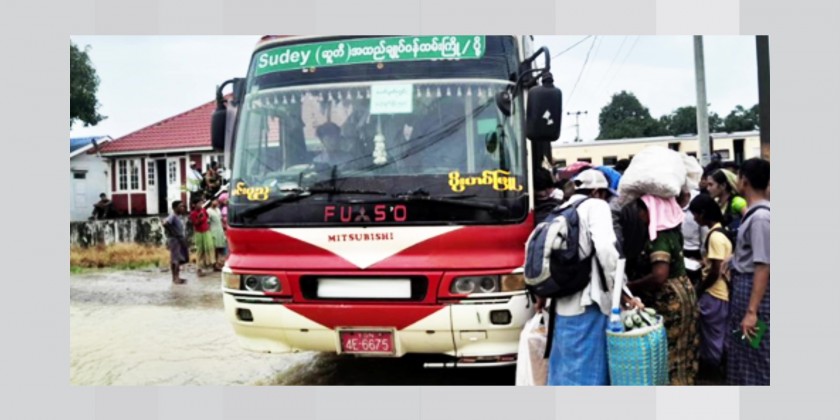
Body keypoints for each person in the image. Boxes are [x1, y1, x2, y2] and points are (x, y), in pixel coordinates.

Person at [542, 169, 622, 386]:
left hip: (561, 304)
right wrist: (617, 289)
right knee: (587, 371)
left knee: (564, 369)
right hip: (589, 303)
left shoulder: (561, 209)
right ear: (597, 192)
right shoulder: (596, 206)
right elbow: (606, 249)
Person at [626, 194, 699, 385]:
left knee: (669, 349)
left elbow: (659, 275)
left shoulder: (659, 237)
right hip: (685, 292)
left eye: (642, 211)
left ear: (651, 211)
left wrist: (632, 287)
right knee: (685, 346)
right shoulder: (674, 231)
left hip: (669, 299)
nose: (640, 215)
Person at [725, 158, 770, 385]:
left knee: (755, 354)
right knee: (745, 350)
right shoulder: (758, 214)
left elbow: (763, 265)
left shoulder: (760, 217)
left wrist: (752, 311)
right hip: (747, 289)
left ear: (744, 180)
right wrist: (734, 259)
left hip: (753, 293)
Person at [688, 193, 732, 382]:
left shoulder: (714, 237)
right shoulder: (722, 231)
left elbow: (715, 270)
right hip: (724, 293)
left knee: (712, 338)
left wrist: (700, 289)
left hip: (714, 293)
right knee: (722, 335)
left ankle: (714, 376)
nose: (694, 218)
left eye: (696, 214)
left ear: (703, 213)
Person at [680, 188, 708, 287]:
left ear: (687, 195)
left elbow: (704, 233)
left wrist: (703, 257)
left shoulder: (696, 205)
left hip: (693, 252)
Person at [706, 169, 747, 233]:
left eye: (711, 185)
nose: (708, 188)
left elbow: (750, 220)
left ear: (723, 185)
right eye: (707, 185)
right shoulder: (716, 203)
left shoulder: (737, 201)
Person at [162, 200, 188, 285]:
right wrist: (172, 232)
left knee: (180, 258)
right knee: (175, 259)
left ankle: (177, 277)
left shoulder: (178, 216)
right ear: (175, 208)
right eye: (180, 206)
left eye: (183, 206)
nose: (182, 208)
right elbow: (165, 223)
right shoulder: (172, 216)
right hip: (174, 240)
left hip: (179, 239)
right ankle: (175, 278)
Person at [189, 198, 215, 276]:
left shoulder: (203, 210)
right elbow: (195, 223)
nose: (200, 205)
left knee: (209, 248)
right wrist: (199, 218)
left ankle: (210, 264)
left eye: (201, 203)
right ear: (194, 205)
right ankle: (198, 268)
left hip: (206, 231)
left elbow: (207, 218)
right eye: (199, 203)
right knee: (200, 251)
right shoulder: (193, 213)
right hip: (199, 233)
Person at [207, 199, 227, 271]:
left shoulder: (218, 210)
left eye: (217, 201)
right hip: (213, 231)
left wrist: (224, 227)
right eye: (214, 201)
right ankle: (214, 264)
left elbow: (221, 219)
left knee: (219, 248)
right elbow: (208, 222)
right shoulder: (208, 211)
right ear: (211, 202)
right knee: (214, 248)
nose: (216, 202)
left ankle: (217, 263)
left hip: (220, 230)